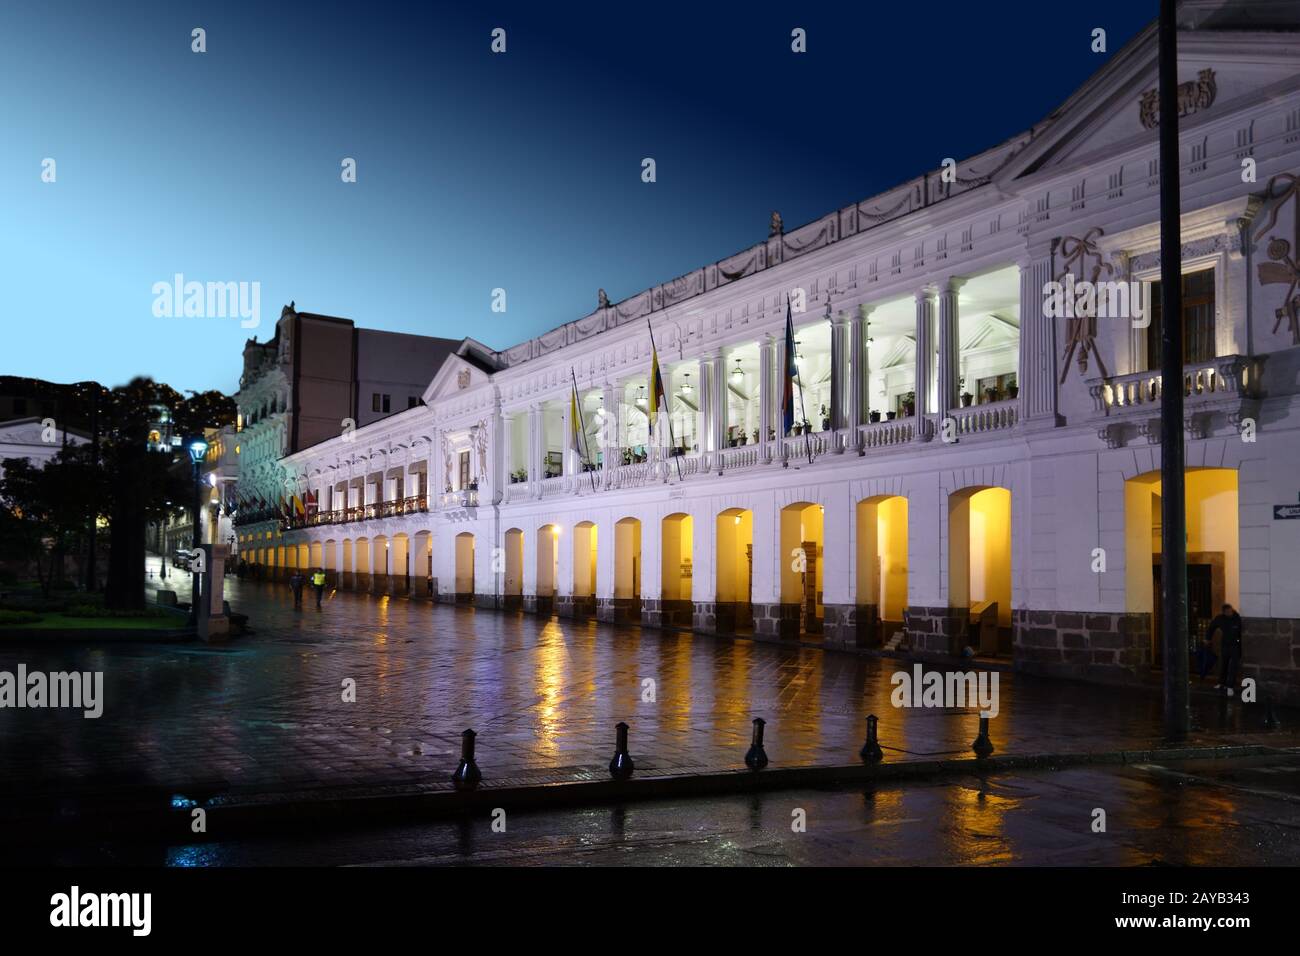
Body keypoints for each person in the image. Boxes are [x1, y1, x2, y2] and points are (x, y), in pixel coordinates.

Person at [1205, 603, 1243, 697]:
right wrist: (1208, 638)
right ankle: (1222, 683)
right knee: (1224, 664)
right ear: (1224, 612)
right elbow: (1212, 627)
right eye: (1227, 612)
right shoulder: (1220, 618)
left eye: (1230, 611)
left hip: (1235, 645)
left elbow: (1241, 631)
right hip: (1225, 644)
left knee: (1233, 666)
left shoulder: (1237, 618)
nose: (1229, 613)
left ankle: (1230, 686)